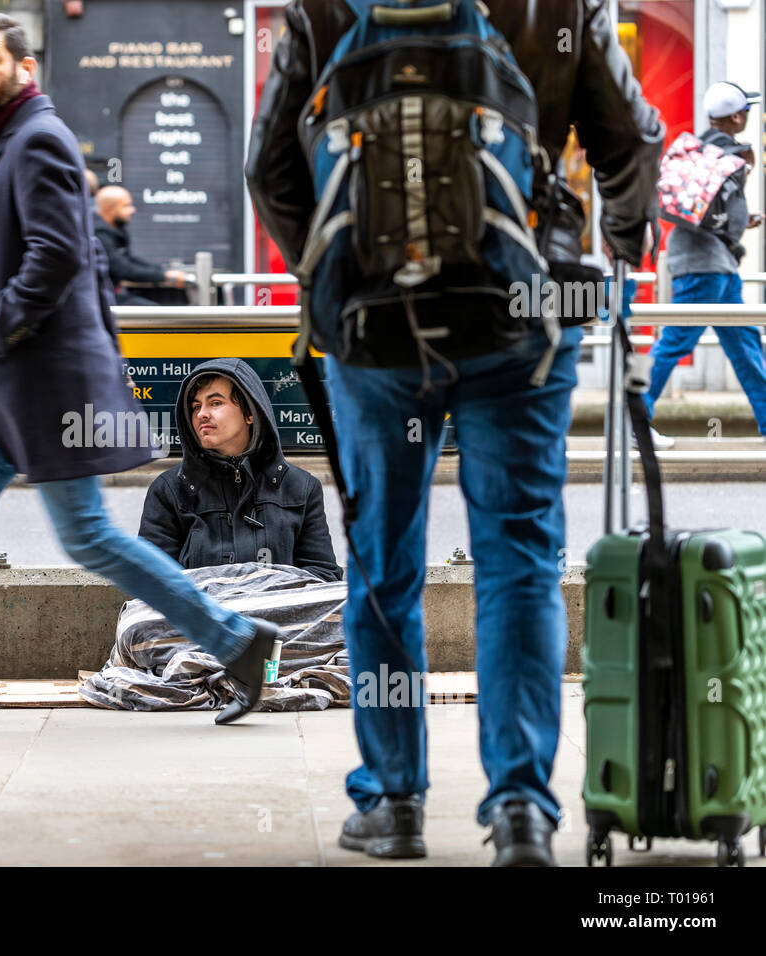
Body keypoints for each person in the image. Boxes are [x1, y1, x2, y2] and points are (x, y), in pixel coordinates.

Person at [247, 0, 663, 865]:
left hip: (375, 335)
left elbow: (269, 169)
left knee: (383, 567)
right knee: (516, 562)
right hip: (524, 314)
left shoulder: (324, 8)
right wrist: (622, 235)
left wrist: (335, 268)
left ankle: (394, 802)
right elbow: (628, 140)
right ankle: (520, 811)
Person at [0, 13, 277, 727]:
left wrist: (1, 324)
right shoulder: (3, 143)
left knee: (88, 538)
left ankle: (235, 639)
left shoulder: (37, 139)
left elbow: (60, 254)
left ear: (24, 67)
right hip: (10, 381)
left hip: (44, 383)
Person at [140, 358, 342, 581]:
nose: (201, 414)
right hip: (199, 616)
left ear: (250, 413)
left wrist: (267, 594)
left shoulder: (301, 487)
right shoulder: (169, 490)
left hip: (274, 616)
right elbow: (152, 581)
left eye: (215, 403)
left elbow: (324, 575)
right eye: (196, 406)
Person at [645, 81, 766, 444]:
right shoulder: (732, 156)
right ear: (734, 116)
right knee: (677, 339)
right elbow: (728, 214)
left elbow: (701, 209)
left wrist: (738, 221)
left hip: (712, 261)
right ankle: (632, 421)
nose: (747, 116)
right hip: (705, 264)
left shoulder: (696, 150)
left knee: (745, 343)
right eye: (745, 110)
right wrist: (741, 221)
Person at [93, 185, 189, 305]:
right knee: (158, 315)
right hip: (97, 300)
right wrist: (165, 275)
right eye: (126, 206)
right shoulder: (98, 233)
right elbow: (123, 269)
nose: (132, 210)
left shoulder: (116, 230)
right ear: (109, 208)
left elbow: (129, 260)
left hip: (108, 295)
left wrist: (163, 272)